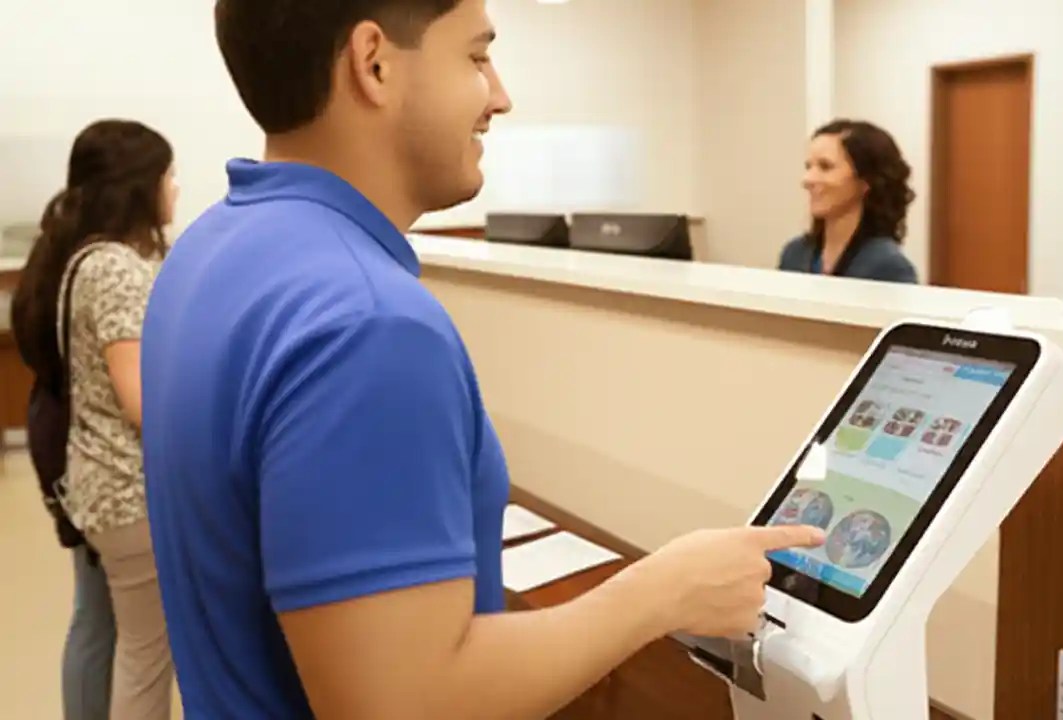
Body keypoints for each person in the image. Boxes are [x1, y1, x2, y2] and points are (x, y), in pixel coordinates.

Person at [140, 1, 825, 718]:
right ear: (373, 63)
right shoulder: (368, 325)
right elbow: (410, 704)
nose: (499, 96)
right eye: (475, 57)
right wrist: (661, 591)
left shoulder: (205, 253)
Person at [11, 119, 178, 719]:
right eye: (168, 176)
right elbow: (143, 403)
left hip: (100, 487)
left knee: (128, 643)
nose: (176, 189)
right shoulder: (114, 268)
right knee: (144, 658)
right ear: (141, 188)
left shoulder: (82, 256)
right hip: (129, 494)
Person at [779, 119, 919, 283]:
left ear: (865, 181)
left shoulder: (888, 267)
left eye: (825, 167)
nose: (807, 179)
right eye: (808, 167)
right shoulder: (794, 255)